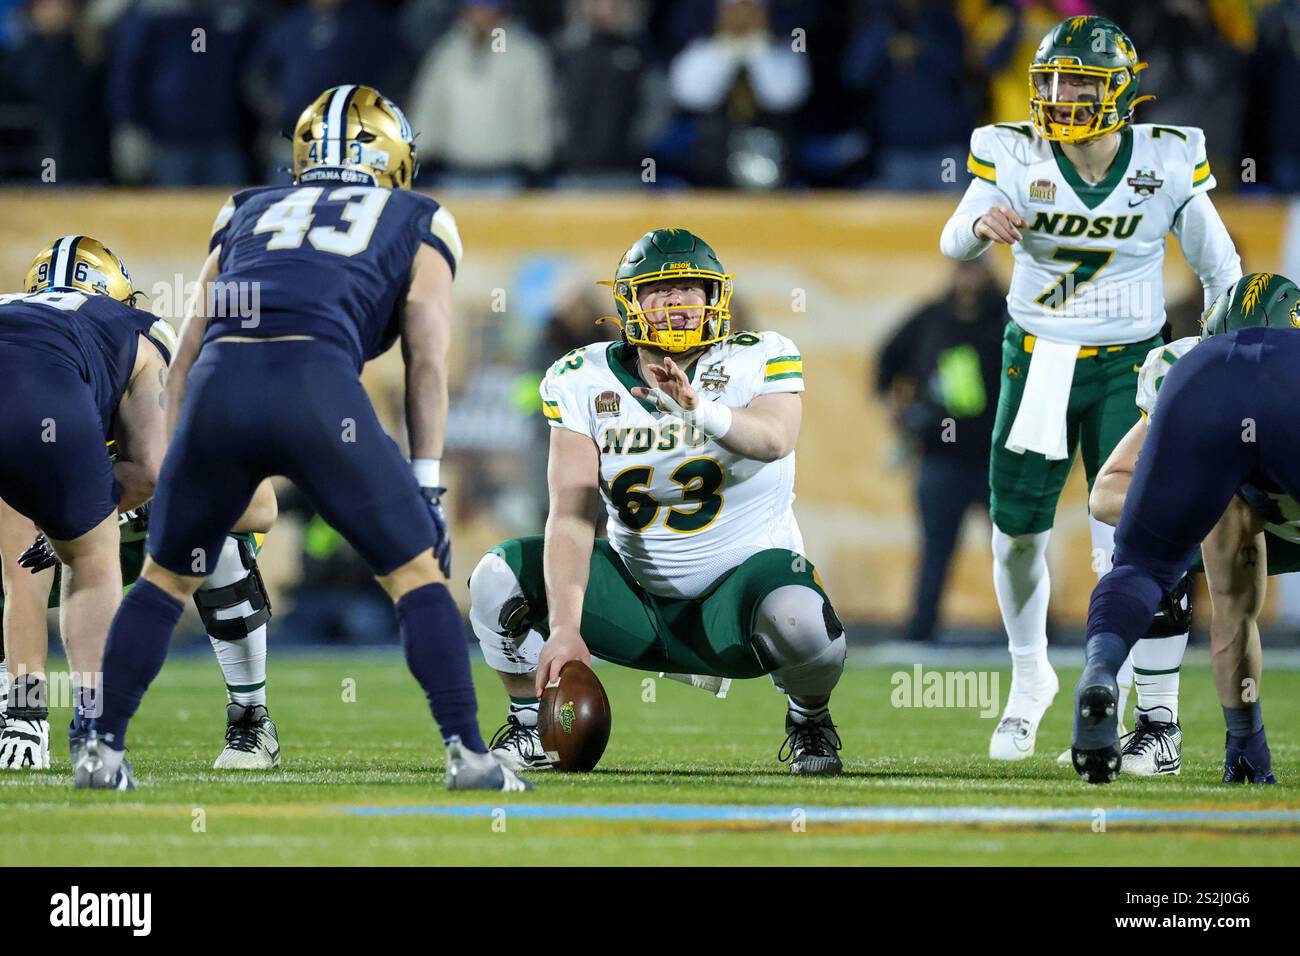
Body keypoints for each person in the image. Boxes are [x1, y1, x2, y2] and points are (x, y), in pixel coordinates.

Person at [74, 84, 529, 793]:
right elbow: (428, 357)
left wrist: (175, 456)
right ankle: (469, 754)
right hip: (318, 385)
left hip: (223, 385)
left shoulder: (246, 207)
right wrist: (428, 480)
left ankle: (101, 751)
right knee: (415, 575)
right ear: (393, 157)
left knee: (165, 580)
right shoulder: (419, 214)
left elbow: (191, 344)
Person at [939, 15, 1241, 762]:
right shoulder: (1009, 148)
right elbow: (951, 238)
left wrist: (1206, 352)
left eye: (1079, 81)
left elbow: (1222, 272)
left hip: (1130, 364)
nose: (1062, 95)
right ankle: (1029, 675)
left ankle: (1149, 715)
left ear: (1122, 91)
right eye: (1052, 81)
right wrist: (981, 221)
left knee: (1132, 539)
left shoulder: (1169, 157)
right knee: (1015, 538)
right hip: (1038, 357)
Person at [468, 228, 847, 776]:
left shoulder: (761, 356)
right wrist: (567, 628)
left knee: (802, 617)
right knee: (496, 575)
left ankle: (809, 719)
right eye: (659, 291)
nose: (677, 302)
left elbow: (773, 440)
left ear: (716, 297)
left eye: (692, 288)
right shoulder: (581, 378)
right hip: (636, 598)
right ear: (628, 302)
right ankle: (532, 723)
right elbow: (572, 515)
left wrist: (699, 409)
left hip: (735, 605)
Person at [1072, 275, 1300, 784]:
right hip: (1261, 480)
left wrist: (1180, 510)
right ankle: (1238, 746)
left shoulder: (1185, 364)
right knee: (1224, 525)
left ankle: (1103, 669)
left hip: (1209, 402)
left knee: (1146, 567)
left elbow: (1106, 491)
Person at [0, 238, 169, 770]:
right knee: (93, 562)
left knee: (15, 570)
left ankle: (23, 717)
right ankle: (94, 733)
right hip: (46, 398)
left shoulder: (10, 303)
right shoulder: (136, 330)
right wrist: (79, 521)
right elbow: (151, 469)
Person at [876, 258, 1004, 643]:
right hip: (940, 458)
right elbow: (886, 361)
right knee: (935, 550)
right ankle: (921, 631)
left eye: (975, 270)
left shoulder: (1009, 318)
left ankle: (1033, 632)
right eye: (962, 269)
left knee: (1016, 550)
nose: (967, 278)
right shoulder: (931, 318)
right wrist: (893, 408)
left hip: (998, 459)